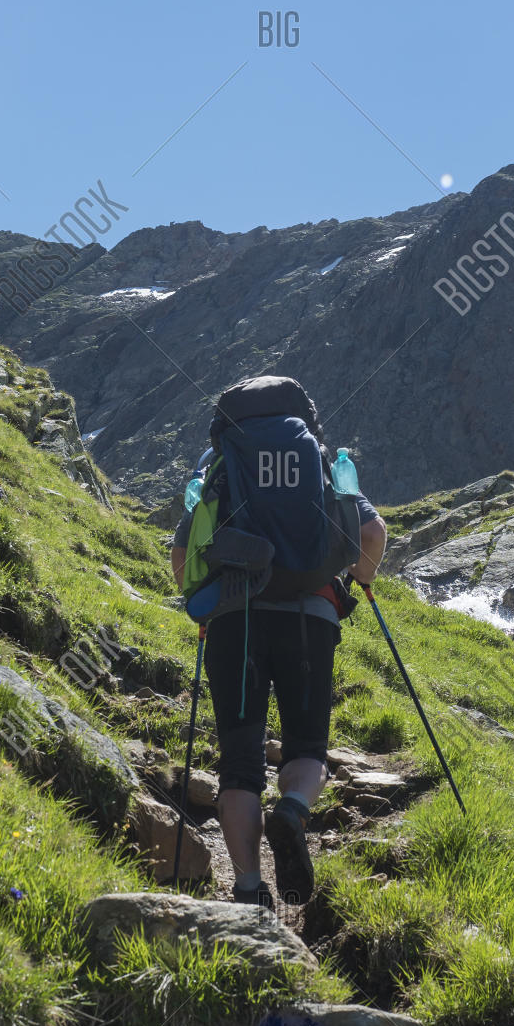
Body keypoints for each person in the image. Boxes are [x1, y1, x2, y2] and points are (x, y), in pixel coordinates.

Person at [171, 377, 386, 907]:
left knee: (239, 762)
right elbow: (371, 536)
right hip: (310, 618)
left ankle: (248, 889)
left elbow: (182, 554)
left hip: (233, 620)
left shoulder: (217, 461)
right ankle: (291, 810)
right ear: (303, 416)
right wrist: (361, 577)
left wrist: (205, 598)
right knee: (307, 746)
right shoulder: (317, 457)